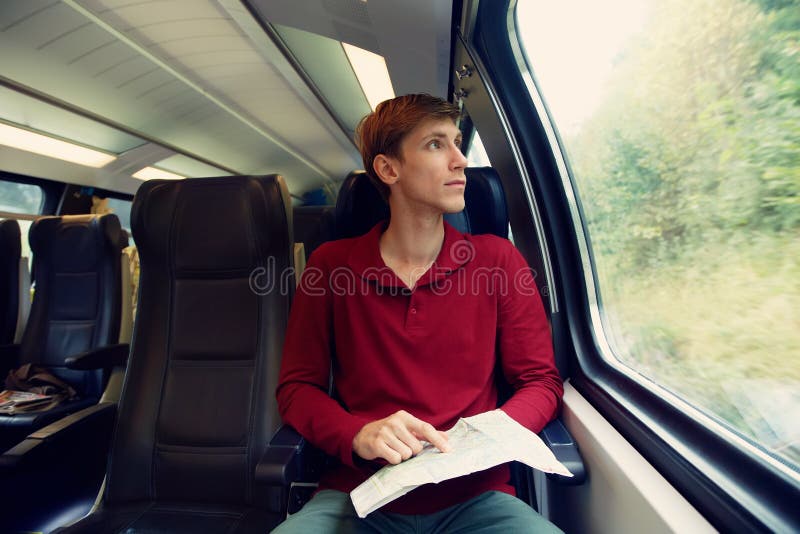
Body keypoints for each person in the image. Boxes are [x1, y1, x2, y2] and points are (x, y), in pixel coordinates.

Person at [273, 93, 564, 532]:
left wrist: (487, 436)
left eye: (457, 143)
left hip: (475, 497)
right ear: (388, 169)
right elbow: (297, 388)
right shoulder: (330, 267)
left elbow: (540, 381)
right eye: (435, 144)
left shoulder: (498, 261)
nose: (460, 161)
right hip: (362, 494)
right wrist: (358, 434)